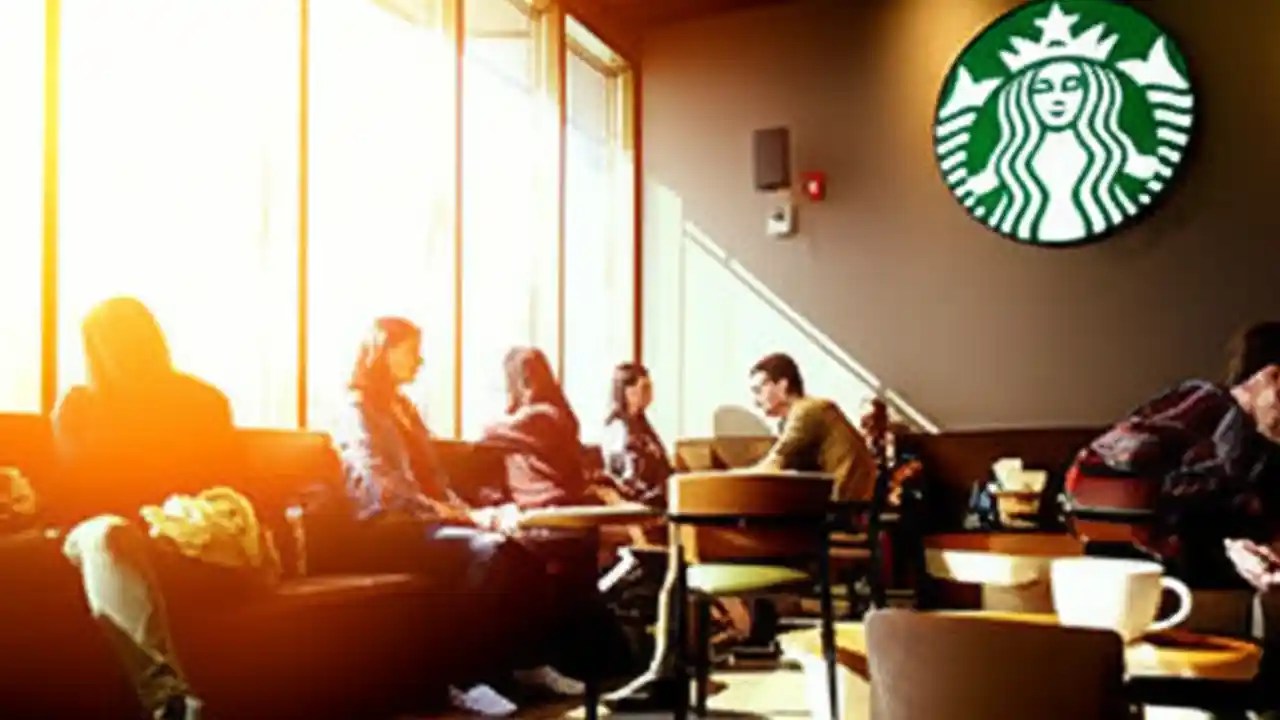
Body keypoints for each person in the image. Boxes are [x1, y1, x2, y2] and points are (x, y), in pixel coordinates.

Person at [333, 319, 583, 716]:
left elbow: (434, 477)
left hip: (425, 521)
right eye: (412, 351)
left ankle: (525, 662)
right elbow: (381, 484)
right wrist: (458, 515)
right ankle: (459, 679)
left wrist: (470, 512)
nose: (420, 360)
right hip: (386, 527)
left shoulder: (403, 408)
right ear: (384, 351)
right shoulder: (357, 409)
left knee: (525, 545)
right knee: (487, 551)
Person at [606, 352, 877, 711]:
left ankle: (670, 670)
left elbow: (770, 471)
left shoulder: (811, 412)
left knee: (685, 550)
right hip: (823, 525)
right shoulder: (810, 416)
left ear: (782, 384)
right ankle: (684, 660)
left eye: (759, 389)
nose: (755, 399)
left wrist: (710, 488)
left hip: (827, 532)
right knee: (686, 549)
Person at [55, 297, 269, 720]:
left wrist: (181, 518)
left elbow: (233, 487)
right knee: (107, 532)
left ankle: (172, 706)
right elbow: (72, 496)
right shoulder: (78, 408)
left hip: (180, 534)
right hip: (102, 535)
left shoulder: (202, 401)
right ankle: (167, 701)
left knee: (121, 534)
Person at [601, 362, 672, 507]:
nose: (649, 394)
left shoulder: (642, 425)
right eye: (644, 388)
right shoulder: (617, 428)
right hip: (636, 502)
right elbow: (623, 475)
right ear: (627, 391)